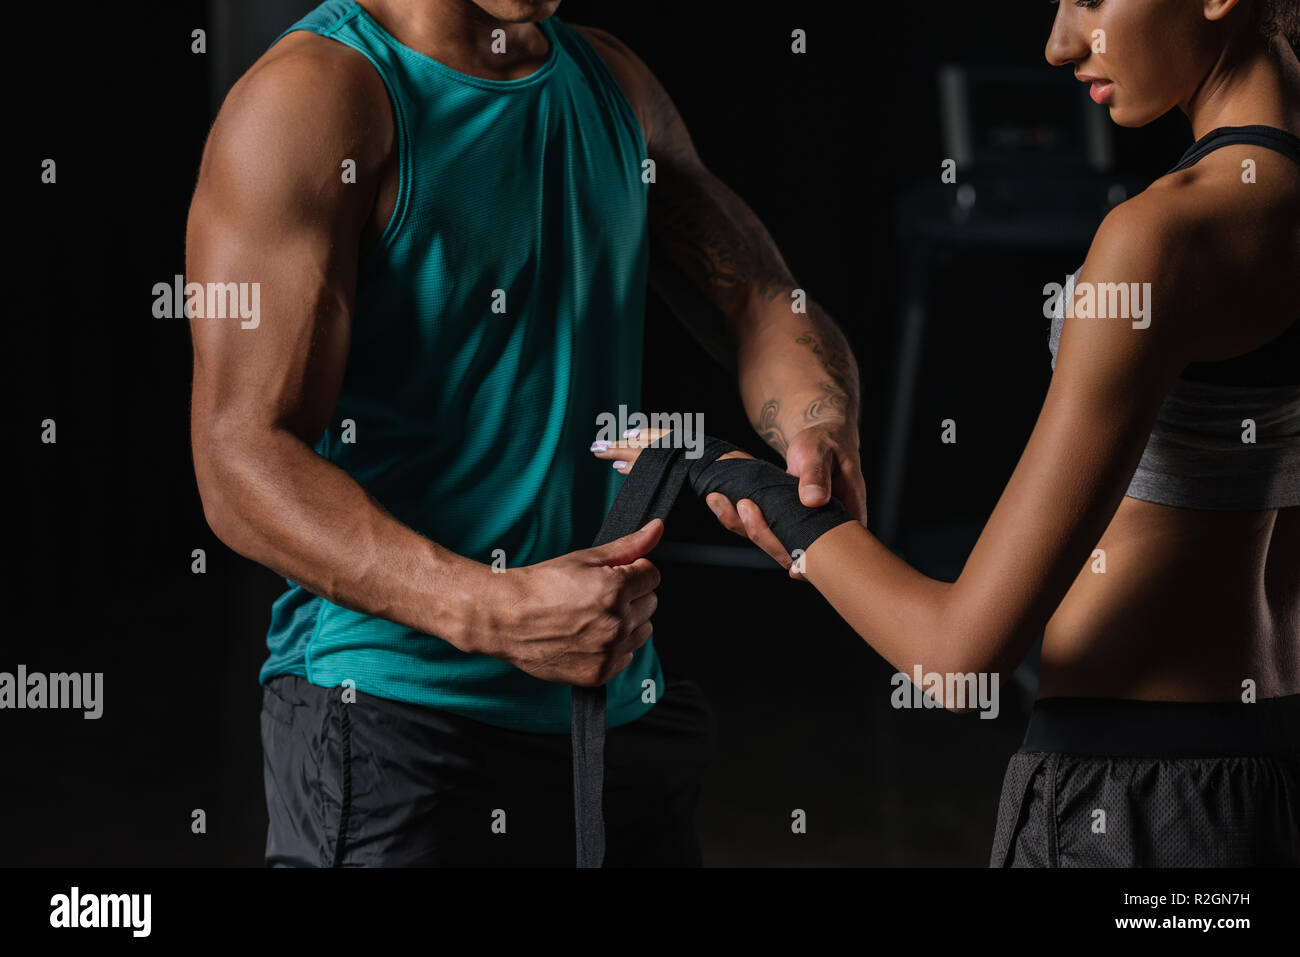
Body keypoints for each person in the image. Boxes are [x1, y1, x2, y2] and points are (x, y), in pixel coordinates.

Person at [596, 0, 1300, 866]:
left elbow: (958, 659)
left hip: (1136, 800)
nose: (1059, 42)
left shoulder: (1163, 237)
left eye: (1088, 0)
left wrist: (755, 490)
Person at [185, 0, 865, 866]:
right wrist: (496, 612)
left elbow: (760, 294)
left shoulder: (611, 82)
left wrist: (816, 416)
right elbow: (238, 458)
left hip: (612, 711)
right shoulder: (314, 100)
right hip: (395, 721)